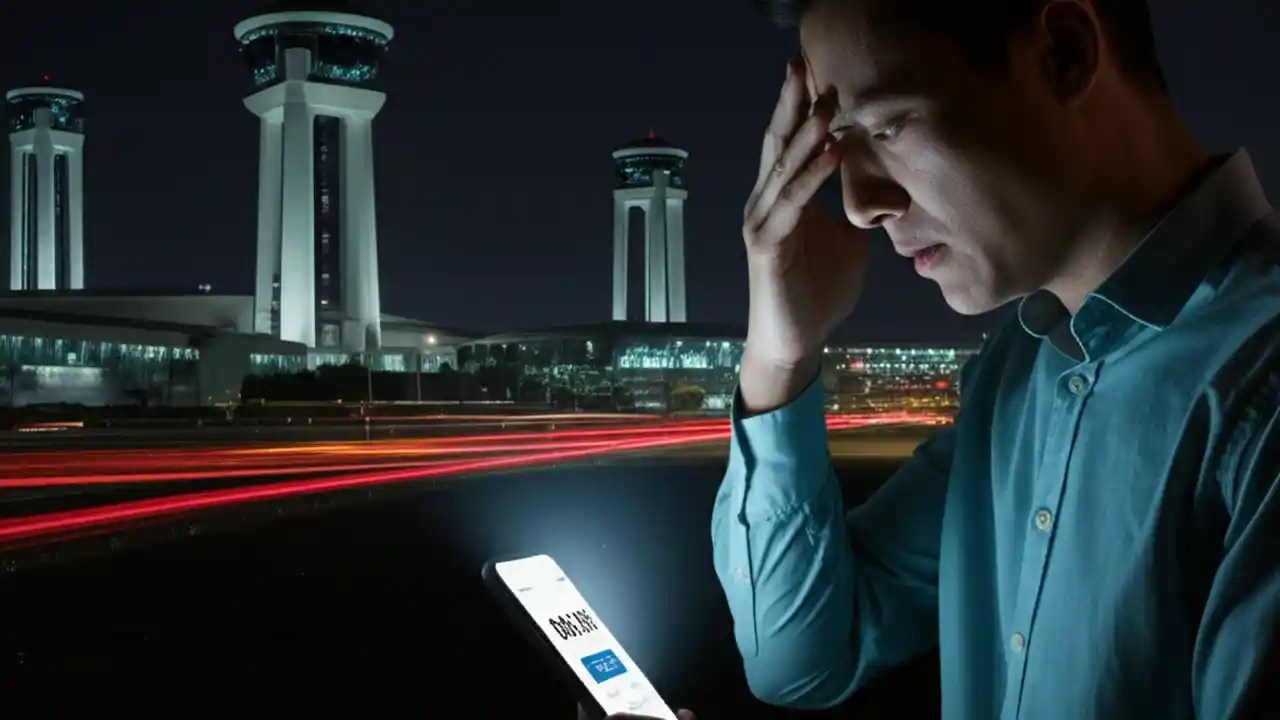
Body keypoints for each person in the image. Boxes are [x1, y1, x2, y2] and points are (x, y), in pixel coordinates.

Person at [698, 0, 1277, 718]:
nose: (856, 205)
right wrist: (779, 357)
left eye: (887, 125)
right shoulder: (1016, 374)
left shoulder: (1261, 397)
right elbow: (802, 658)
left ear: (1065, 54)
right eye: (839, 145)